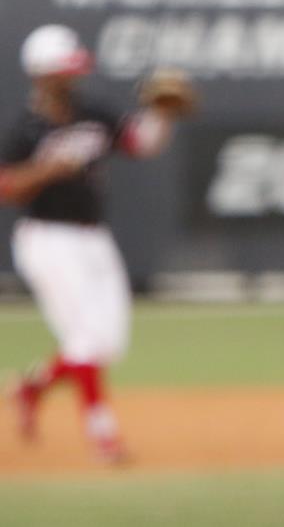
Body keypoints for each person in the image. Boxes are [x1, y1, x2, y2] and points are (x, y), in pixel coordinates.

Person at [3, 25, 188, 464]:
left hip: (93, 237)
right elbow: (7, 187)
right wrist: (48, 170)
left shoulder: (93, 112)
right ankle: (102, 435)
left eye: (74, 68)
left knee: (108, 341)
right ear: (41, 74)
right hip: (47, 239)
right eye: (64, 70)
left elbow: (141, 142)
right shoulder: (26, 129)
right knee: (86, 338)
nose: (73, 76)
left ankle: (31, 388)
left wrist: (162, 114)